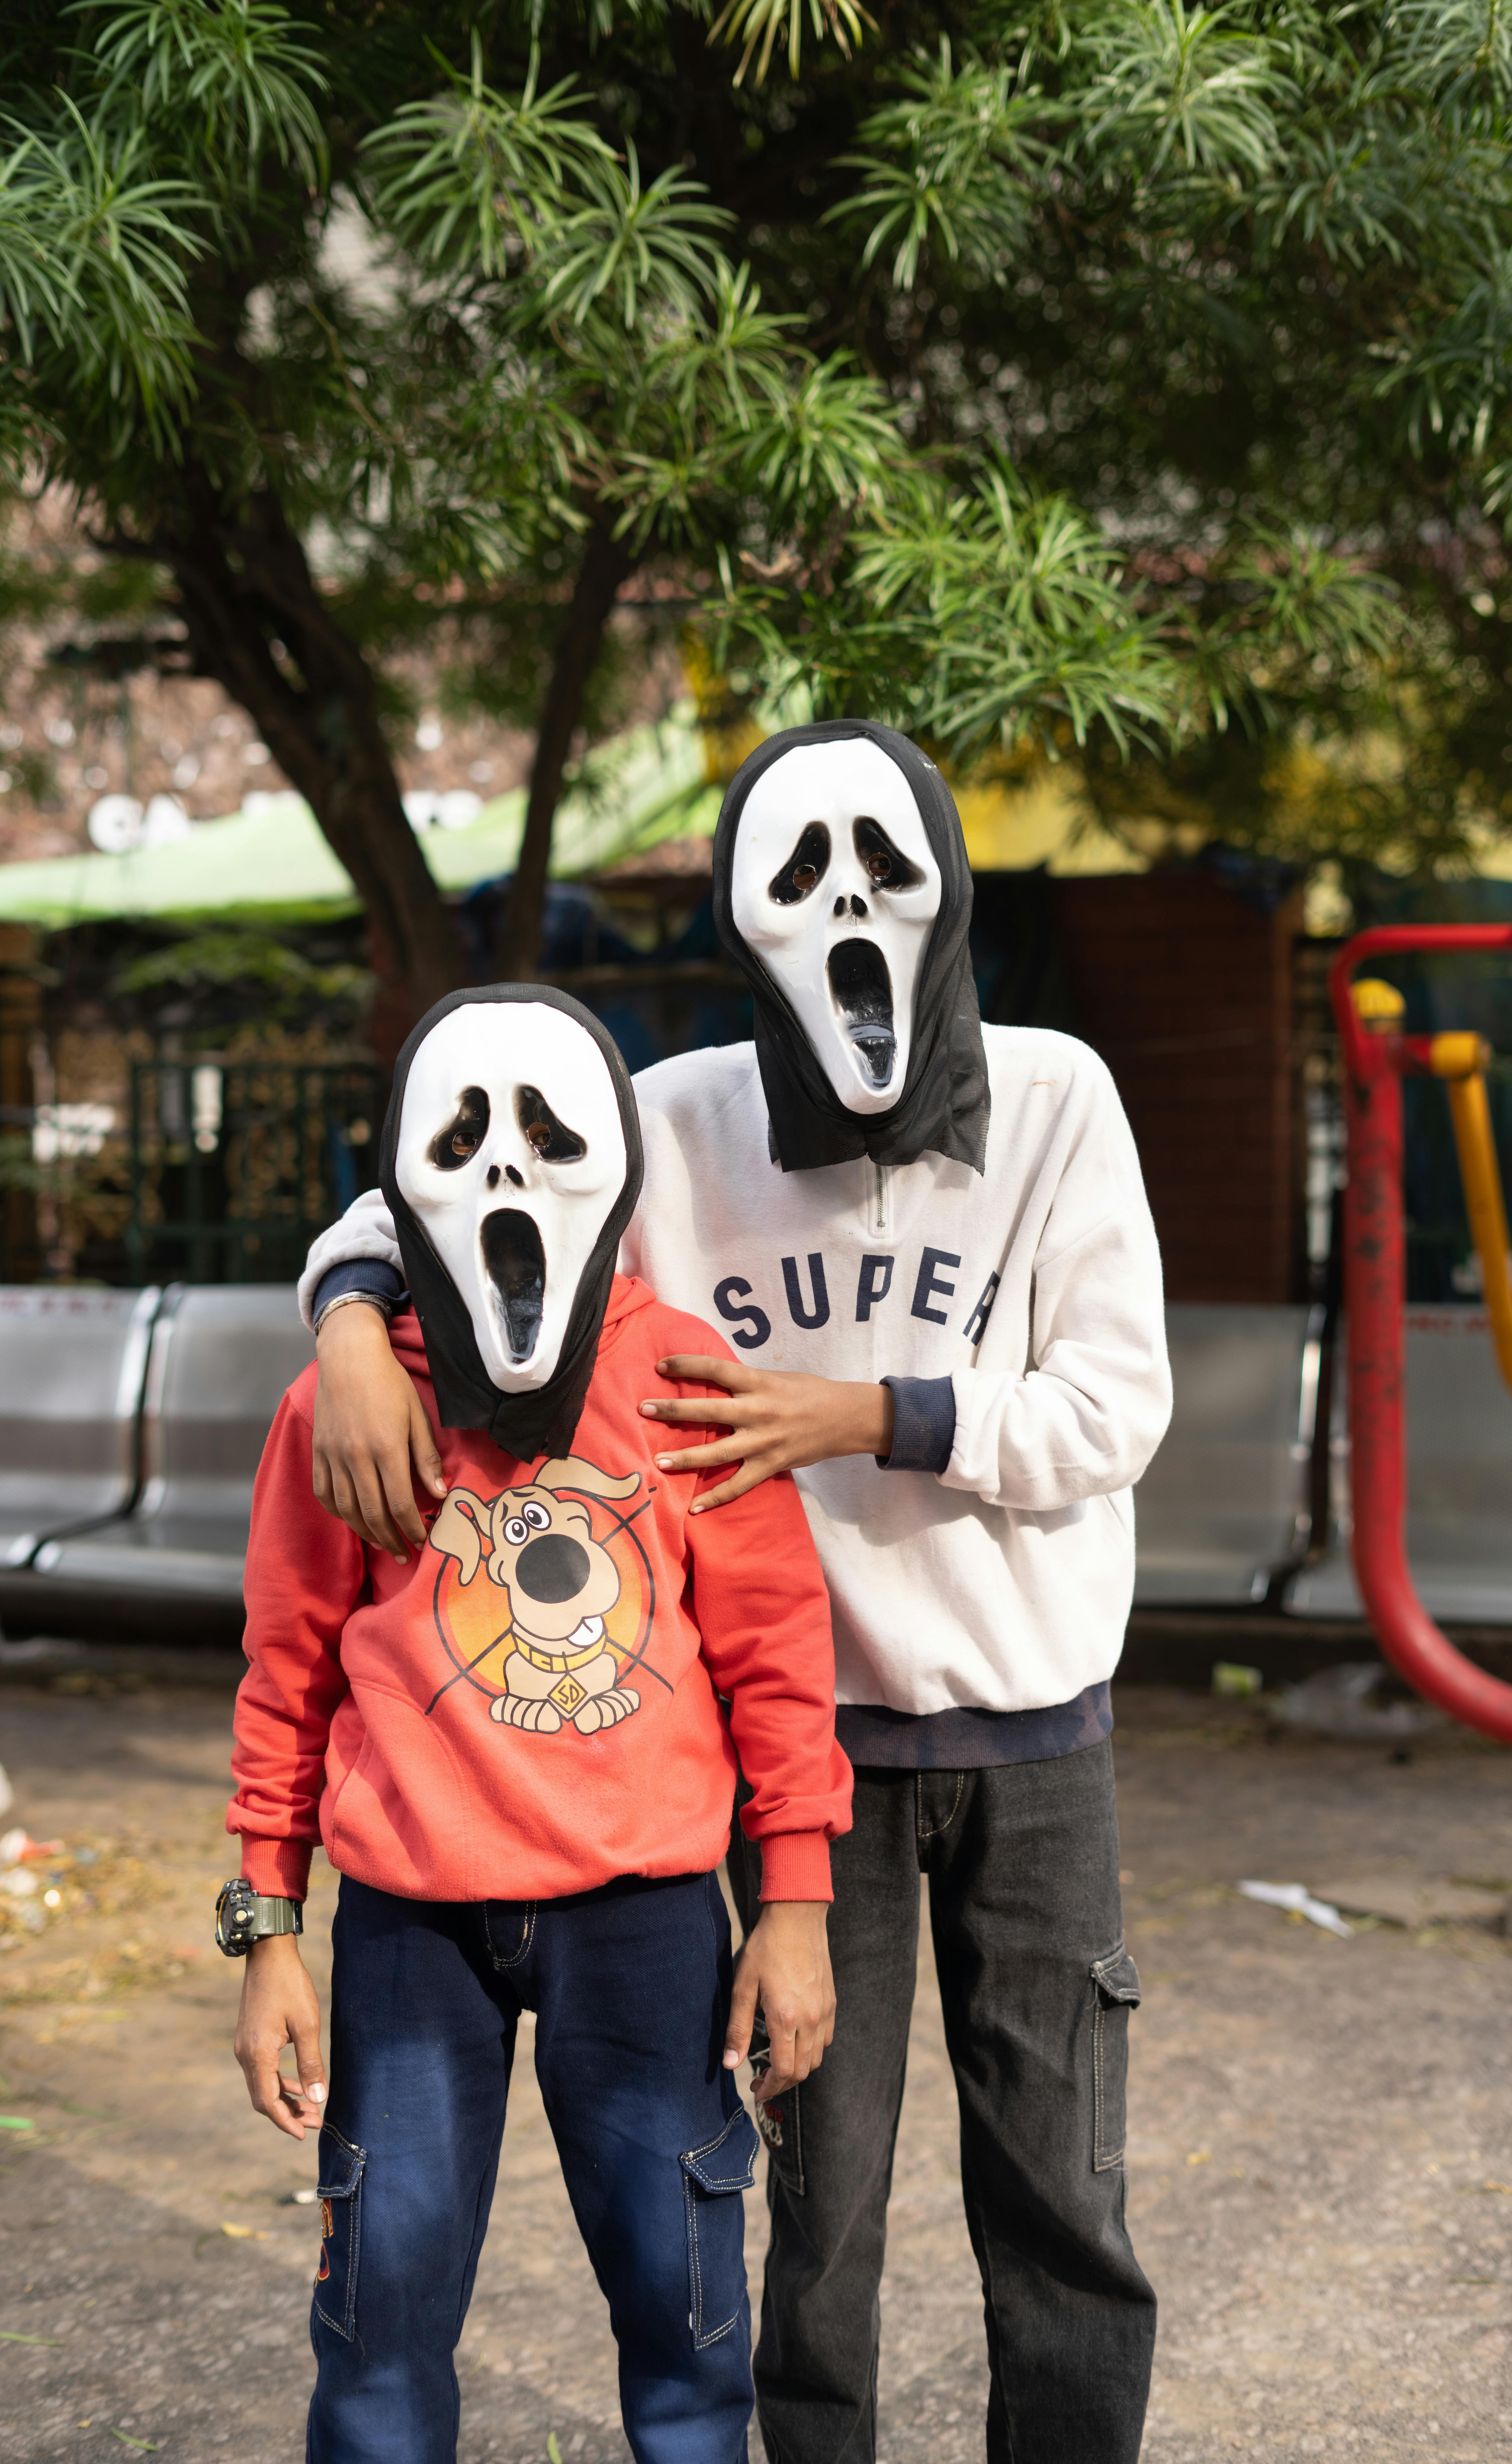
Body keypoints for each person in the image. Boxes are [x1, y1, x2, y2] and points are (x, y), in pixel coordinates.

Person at [300, 721, 1174, 2464]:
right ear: (736, 910)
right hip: (809, 1755)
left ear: (947, 884)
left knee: (1063, 2193)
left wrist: (865, 1414)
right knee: (814, 2207)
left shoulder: (1055, 1097)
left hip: (1033, 1738)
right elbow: (455, 1187)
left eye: (882, 866)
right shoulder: (680, 1119)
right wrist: (343, 1321)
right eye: (797, 873)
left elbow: (1113, 1409)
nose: (845, 906)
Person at [222, 982, 852, 2464]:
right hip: (408, 1932)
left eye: (549, 1134)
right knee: (378, 2327)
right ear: (402, 1172)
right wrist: (266, 1927)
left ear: (612, 1161)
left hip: (644, 1927)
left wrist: (797, 1903)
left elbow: (776, 1657)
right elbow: (284, 1672)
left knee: (686, 2328)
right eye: (459, 1137)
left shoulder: (687, 1380)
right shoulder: (344, 1405)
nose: (505, 1168)